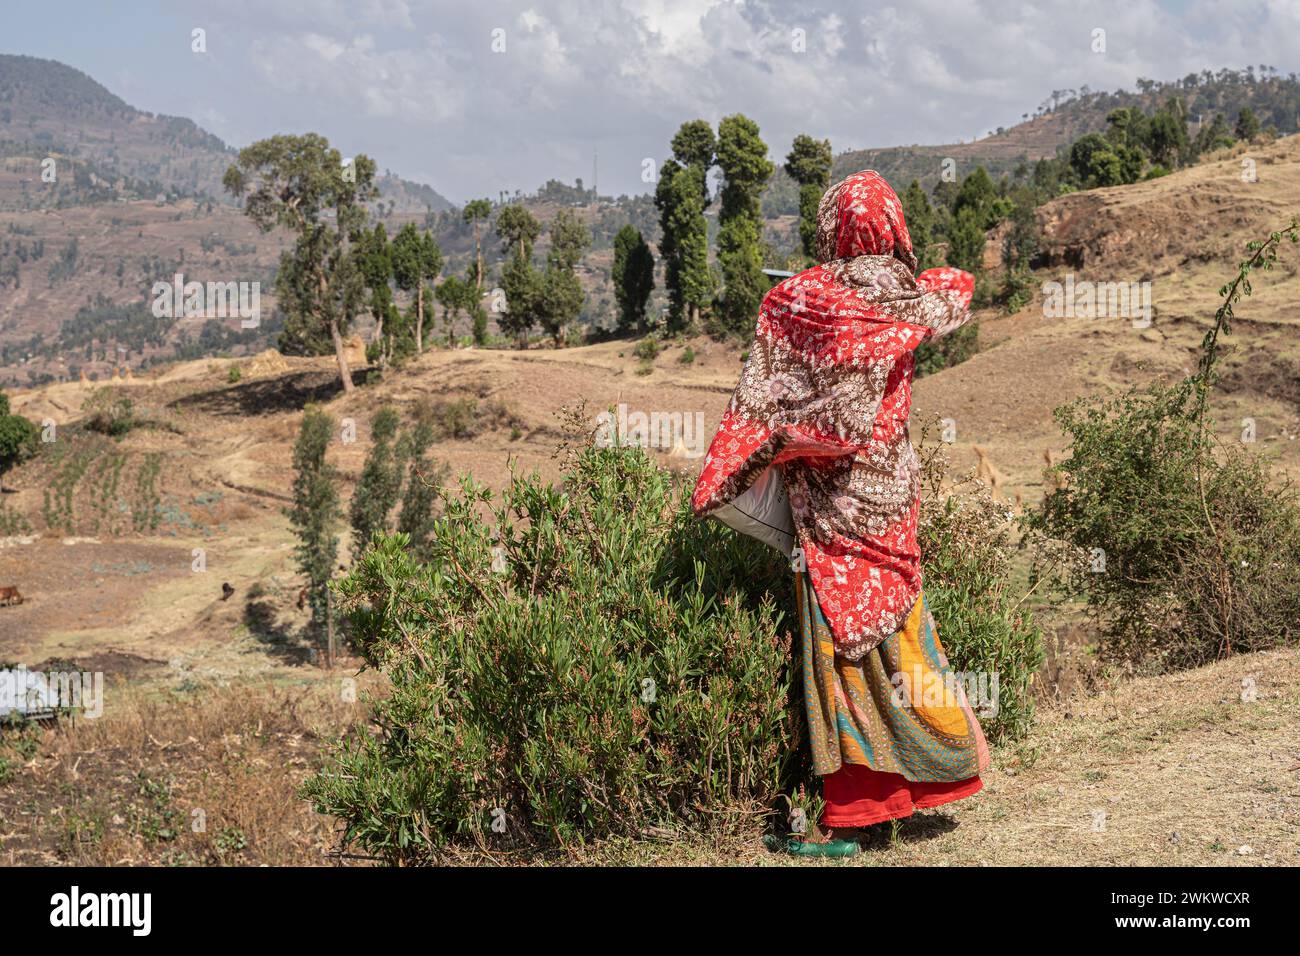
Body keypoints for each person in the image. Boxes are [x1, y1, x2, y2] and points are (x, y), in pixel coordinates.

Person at [692, 170, 989, 856]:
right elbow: (958, 286)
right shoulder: (914, 301)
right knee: (898, 634)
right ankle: (920, 778)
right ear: (893, 227)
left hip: (827, 509)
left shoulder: (801, 302)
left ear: (830, 227)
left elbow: (769, 392)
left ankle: (853, 817)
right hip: (890, 499)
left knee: (841, 654)